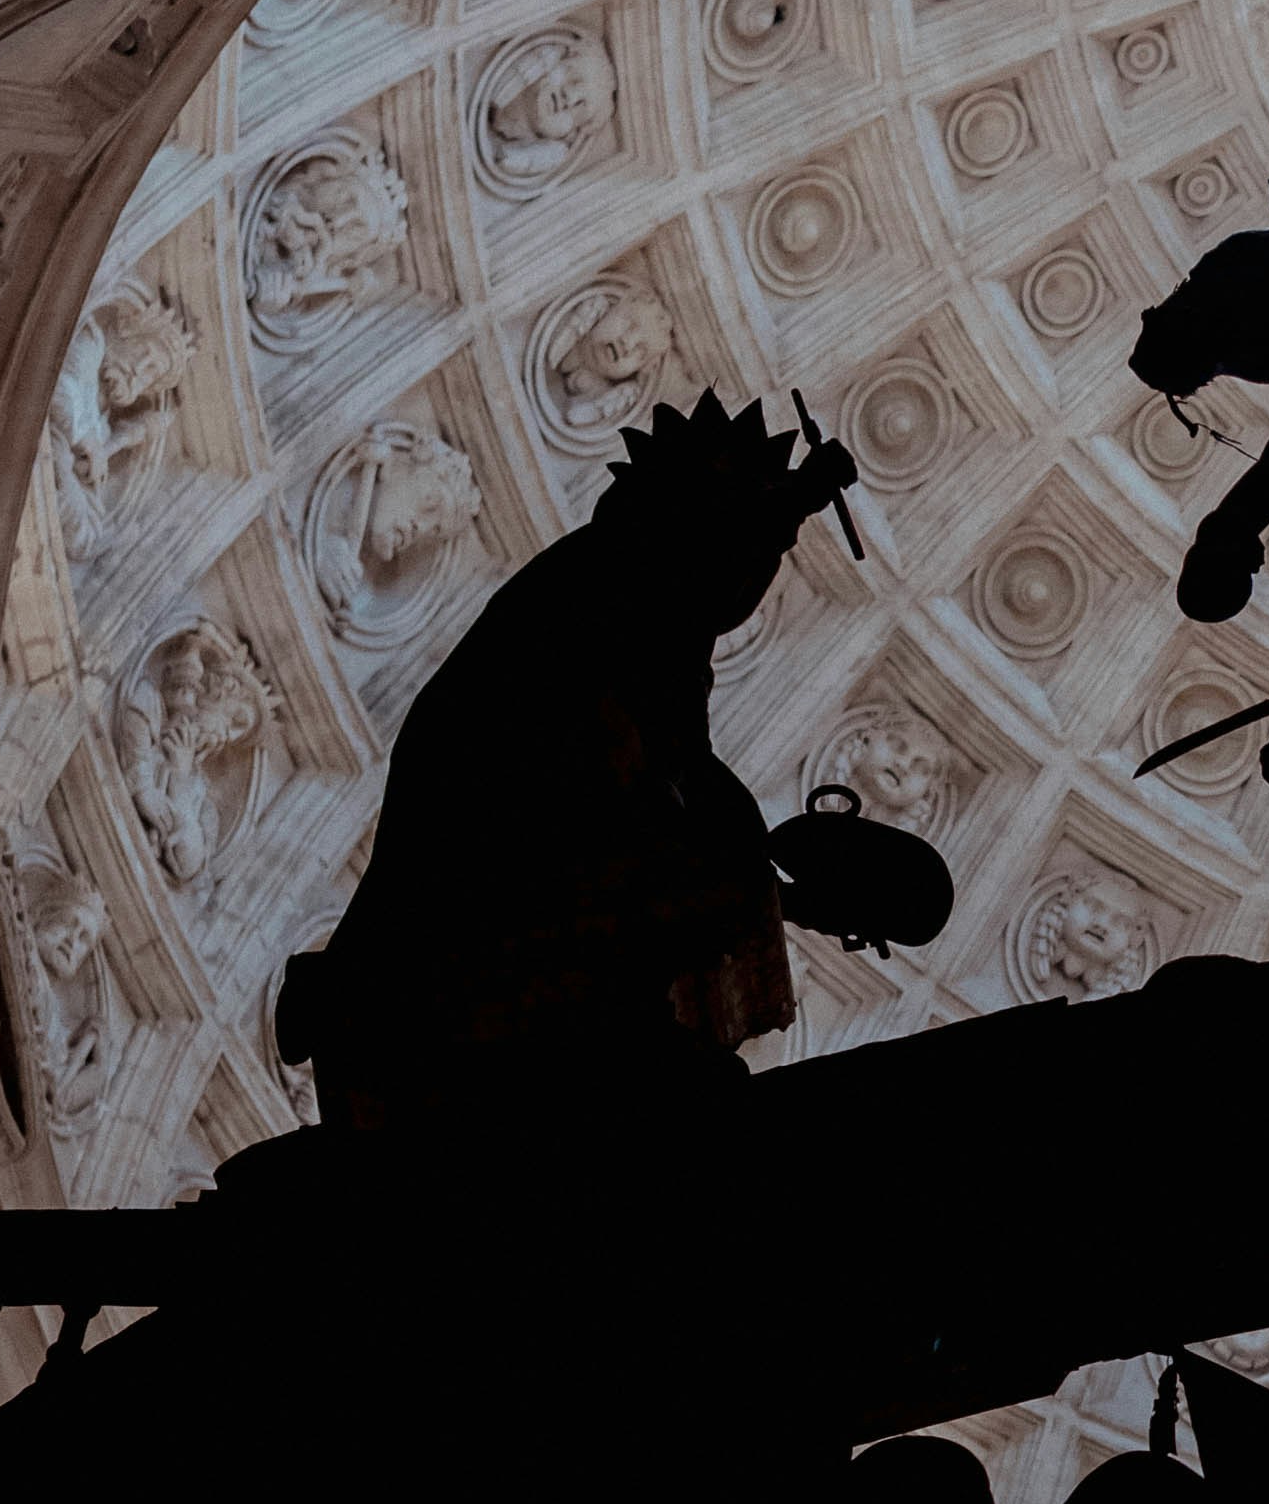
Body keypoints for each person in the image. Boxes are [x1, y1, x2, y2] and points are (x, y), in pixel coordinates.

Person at [276, 393, 945, 1136]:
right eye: (753, 553)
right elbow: (644, 785)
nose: (752, 584)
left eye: (765, 557)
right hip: (501, 835)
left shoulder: (643, 608)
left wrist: (769, 877)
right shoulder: (616, 594)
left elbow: (682, 786)